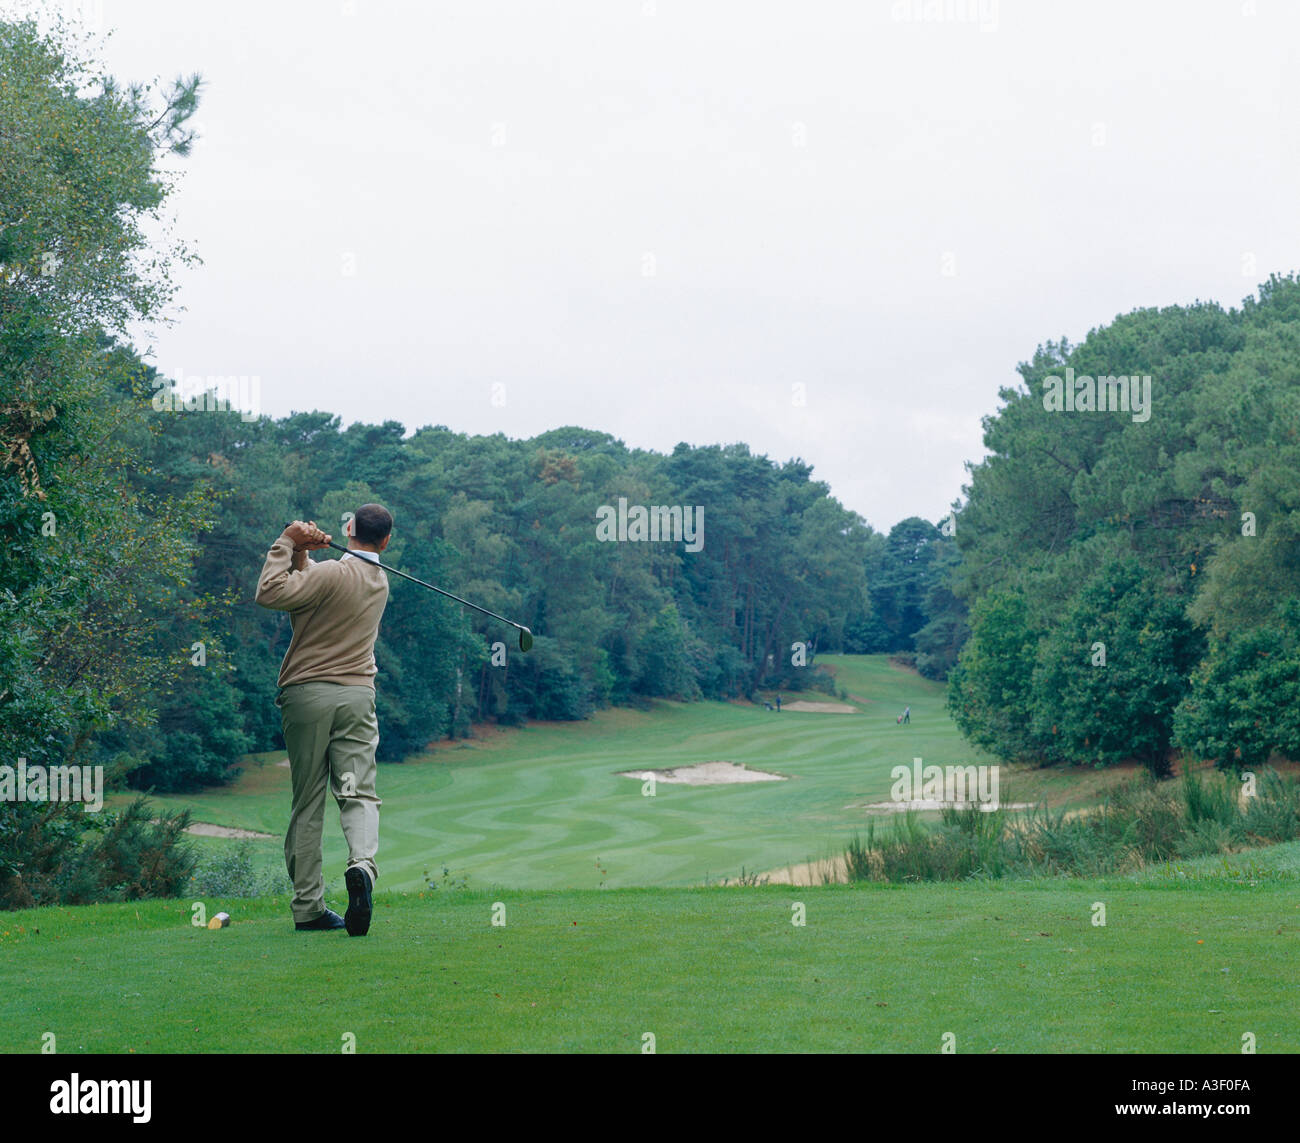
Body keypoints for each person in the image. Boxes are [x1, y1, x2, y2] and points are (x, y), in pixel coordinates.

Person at [255, 505, 393, 936]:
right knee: (358, 792)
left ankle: (309, 907)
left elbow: (271, 592)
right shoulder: (379, 581)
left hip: (309, 696)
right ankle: (363, 867)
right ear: (385, 541)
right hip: (356, 697)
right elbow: (312, 590)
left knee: (309, 800)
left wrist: (288, 541)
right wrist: (302, 555)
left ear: (347, 528)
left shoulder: (333, 573)